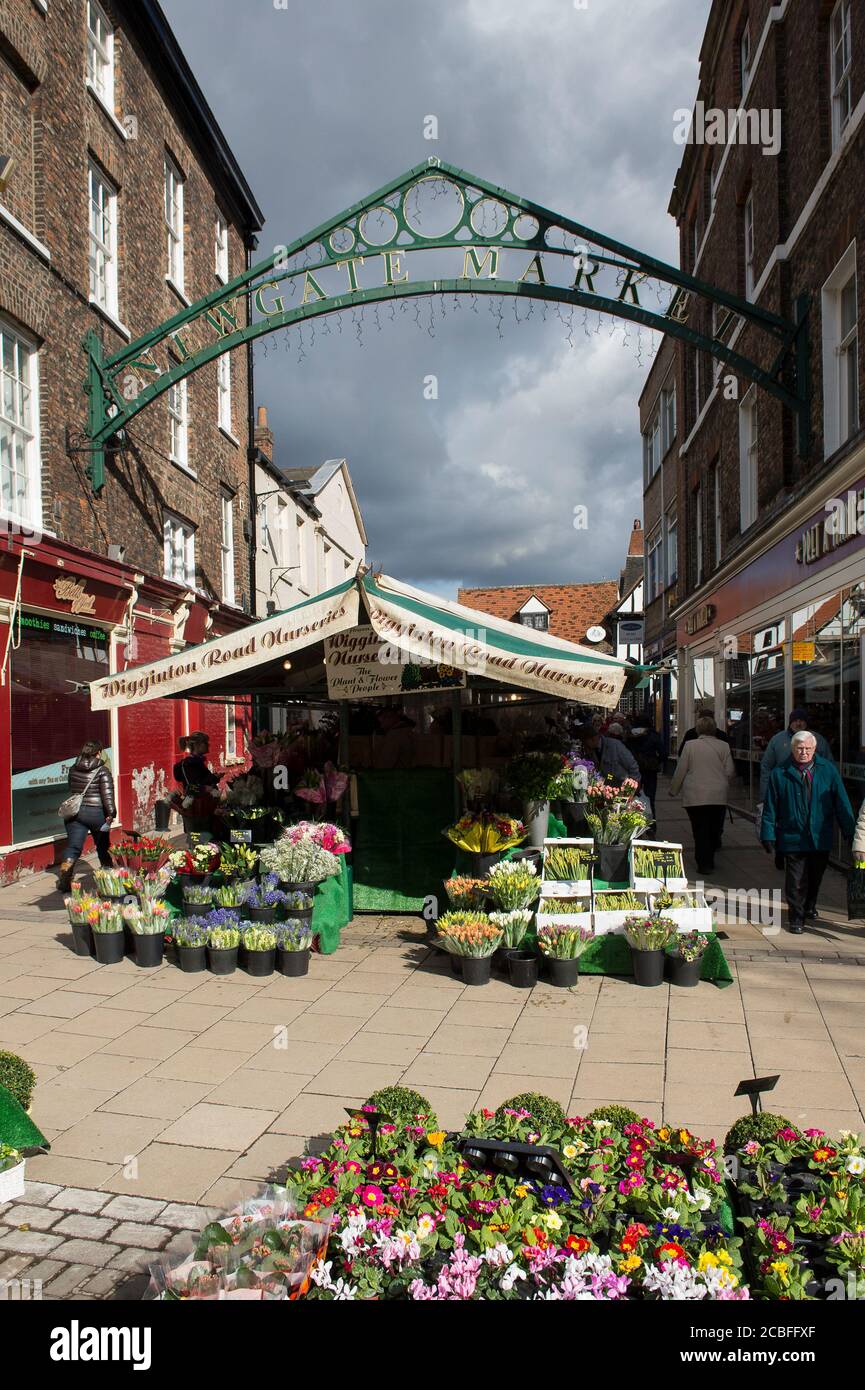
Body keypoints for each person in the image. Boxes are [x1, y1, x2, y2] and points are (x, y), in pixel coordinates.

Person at [761, 730, 854, 934]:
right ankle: (796, 916)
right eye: (799, 748)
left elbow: (842, 802)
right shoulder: (780, 773)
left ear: (814, 749)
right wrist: (767, 833)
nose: (804, 752)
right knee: (795, 880)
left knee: (815, 876)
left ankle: (810, 905)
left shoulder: (827, 770)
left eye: (808, 749)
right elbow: (771, 807)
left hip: (819, 836)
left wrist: (850, 831)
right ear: (792, 749)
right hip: (792, 836)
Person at [668, 714, 735, 874]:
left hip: (695, 795)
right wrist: (722, 781)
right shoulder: (724, 746)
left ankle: (703, 862)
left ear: (698, 729)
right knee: (713, 828)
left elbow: (681, 770)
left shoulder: (690, 746)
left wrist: (674, 790)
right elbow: (730, 771)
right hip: (717, 795)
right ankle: (709, 857)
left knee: (700, 829)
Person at [57, 741, 116, 892]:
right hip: (96, 813)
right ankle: (108, 881)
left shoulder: (73, 768)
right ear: (98, 753)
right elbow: (107, 796)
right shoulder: (102, 771)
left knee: (73, 847)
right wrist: (111, 813)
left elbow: (72, 787)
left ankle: (65, 878)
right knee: (102, 847)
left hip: (75, 814)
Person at [758, 708, 833, 803]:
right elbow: (766, 767)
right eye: (795, 721)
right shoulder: (777, 740)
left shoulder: (818, 740)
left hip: (812, 793)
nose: (798, 723)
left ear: (806, 722)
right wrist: (765, 797)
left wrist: (827, 793)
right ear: (790, 723)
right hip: (783, 792)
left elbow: (829, 767)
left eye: (801, 720)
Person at [172, 732, 220, 837]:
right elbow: (191, 787)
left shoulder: (198, 763)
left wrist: (214, 778)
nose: (208, 745)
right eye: (205, 743)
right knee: (199, 842)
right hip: (195, 810)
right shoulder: (189, 764)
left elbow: (202, 780)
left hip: (204, 808)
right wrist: (207, 788)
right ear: (197, 745)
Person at [628, 723, 665, 819]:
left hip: (635, 768)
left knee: (635, 796)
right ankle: (651, 825)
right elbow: (663, 753)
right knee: (650, 797)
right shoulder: (653, 736)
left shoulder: (630, 736)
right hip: (650, 769)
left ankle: (636, 822)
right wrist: (657, 761)